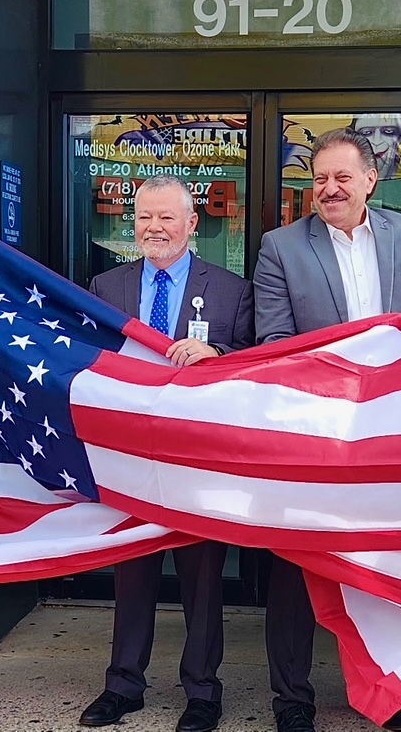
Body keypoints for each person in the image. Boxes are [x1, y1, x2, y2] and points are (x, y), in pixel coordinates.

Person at [253, 128, 401, 732]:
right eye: (319, 179)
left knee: (378, 566)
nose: (329, 189)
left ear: (371, 179)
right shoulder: (281, 247)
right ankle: (292, 699)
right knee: (295, 566)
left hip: (392, 434)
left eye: (342, 178)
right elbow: (274, 343)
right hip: (314, 432)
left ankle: (385, 692)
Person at [80, 174, 253, 732]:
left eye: (166, 218)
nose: (154, 228)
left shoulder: (231, 290)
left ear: (192, 224)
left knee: (203, 581)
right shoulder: (106, 288)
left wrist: (219, 352)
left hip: (198, 461)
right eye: (144, 218)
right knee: (133, 575)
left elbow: (255, 364)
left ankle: (202, 692)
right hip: (132, 461)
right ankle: (123, 685)